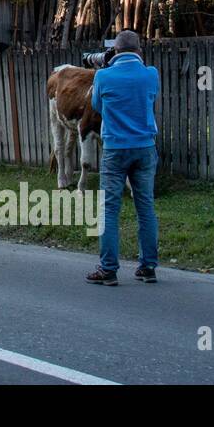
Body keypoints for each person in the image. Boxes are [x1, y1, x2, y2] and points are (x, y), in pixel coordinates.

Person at [85, 29, 160, 286]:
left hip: (116, 148)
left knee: (109, 209)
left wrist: (104, 69)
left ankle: (108, 269)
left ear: (114, 51)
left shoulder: (103, 76)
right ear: (139, 50)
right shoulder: (151, 75)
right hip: (145, 147)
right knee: (145, 207)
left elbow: (96, 105)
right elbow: (150, 101)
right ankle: (148, 266)